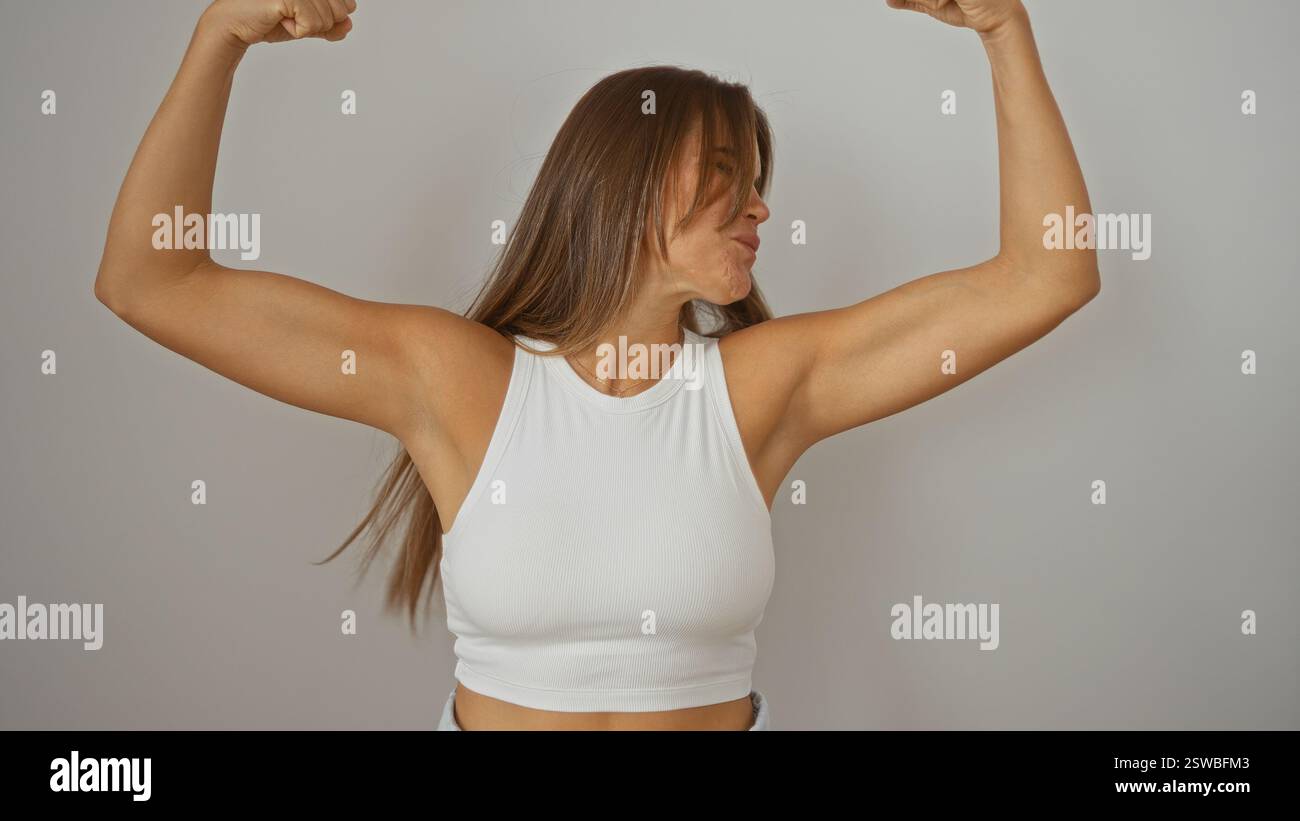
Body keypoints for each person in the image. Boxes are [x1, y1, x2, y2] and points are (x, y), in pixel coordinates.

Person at [93, 0, 1099, 730]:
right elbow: (152, 281)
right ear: (620, 179)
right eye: (726, 176)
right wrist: (217, 38)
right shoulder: (457, 378)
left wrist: (1004, 30)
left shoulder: (760, 386)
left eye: (760, 184)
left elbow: (1047, 273)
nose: (759, 207)